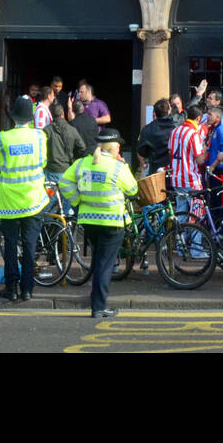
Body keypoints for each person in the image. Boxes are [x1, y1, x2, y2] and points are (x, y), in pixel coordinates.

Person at [60, 128, 138, 318]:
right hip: (111, 223)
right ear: (114, 147)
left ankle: (95, 299)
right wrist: (125, 166)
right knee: (105, 265)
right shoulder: (117, 167)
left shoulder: (83, 163)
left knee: (98, 261)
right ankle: (99, 306)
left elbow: (64, 182)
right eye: (118, 146)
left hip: (89, 221)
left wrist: (77, 200)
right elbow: (134, 189)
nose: (120, 149)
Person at [0, 96, 48, 302]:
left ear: (13, 116)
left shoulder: (2, 138)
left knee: (11, 246)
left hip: (9, 202)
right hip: (33, 200)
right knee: (30, 246)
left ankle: (11, 287)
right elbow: (43, 161)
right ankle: (28, 289)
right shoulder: (40, 137)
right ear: (31, 118)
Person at [167, 102, 207, 227]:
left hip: (176, 179)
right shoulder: (193, 134)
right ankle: (196, 247)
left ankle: (180, 244)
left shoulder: (175, 131)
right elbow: (200, 160)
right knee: (196, 216)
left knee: (181, 213)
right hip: (191, 180)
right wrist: (205, 148)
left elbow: (170, 151)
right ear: (198, 118)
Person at [45, 102, 86, 187]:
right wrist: (74, 159)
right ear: (63, 113)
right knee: (67, 198)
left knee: (52, 199)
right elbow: (82, 148)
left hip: (51, 170)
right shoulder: (72, 130)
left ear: (51, 114)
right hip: (67, 170)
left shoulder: (46, 130)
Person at [135, 98, 177, 177]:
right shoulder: (175, 127)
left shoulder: (147, 129)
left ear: (155, 113)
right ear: (169, 111)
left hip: (154, 171)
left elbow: (141, 151)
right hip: (172, 170)